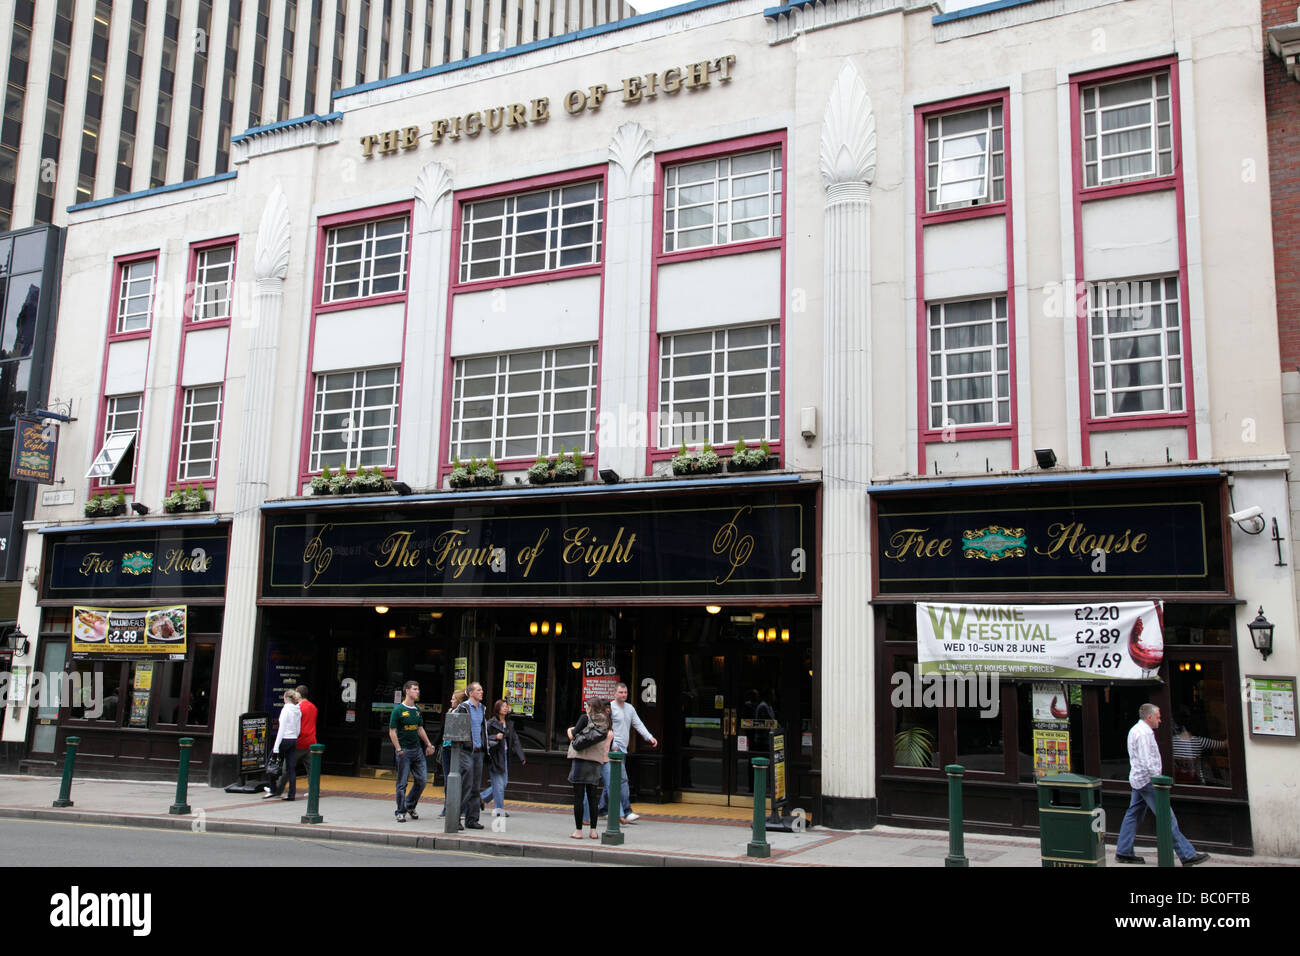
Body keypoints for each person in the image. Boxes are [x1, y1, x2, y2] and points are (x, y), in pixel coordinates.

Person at [1115, 703, 1209, 865]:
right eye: (1158, 717)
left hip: (1139, 779)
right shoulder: (1144, 734)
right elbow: (1147, 761)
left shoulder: (1137, 730)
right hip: (1148, 782)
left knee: (1134, 814)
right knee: (1167, 817)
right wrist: (1158, 780)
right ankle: (1187, 855)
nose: (1161, 720)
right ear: (1149, 717)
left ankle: (1123, 851)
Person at [597, 682, 658, 824]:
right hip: (613, 750)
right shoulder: (609, 708)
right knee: (622, 780)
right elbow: (603, 727)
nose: (623, 695)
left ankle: (603, 809)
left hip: (623, 749)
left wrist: (649, 737)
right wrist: (611, 745)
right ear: (614, 693)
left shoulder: (630, 708)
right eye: (621, 692)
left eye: (625, 692)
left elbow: (638, 723)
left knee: (612, 780)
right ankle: (627, 810)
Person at [388, 680, 436, 823]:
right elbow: (392, 731)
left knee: (422, 780)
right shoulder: (398, 710)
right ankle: (400, 811)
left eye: (418, 689)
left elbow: (420, 729)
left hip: (417, 750)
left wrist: (428, 744)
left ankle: (409, 805)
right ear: (407, 691)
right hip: (405, 751)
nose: (417, 692)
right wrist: (398, 749)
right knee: (402, 783)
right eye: (415, 689)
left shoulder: (417, 710)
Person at [567, 697, 613, 839]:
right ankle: (593, 831)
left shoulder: (585, 718)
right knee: (593, 797)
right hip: (595, 762)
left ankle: (578, 831)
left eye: (587, 706)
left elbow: (573, 736)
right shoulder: (606, 721)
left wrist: (569, 731)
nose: (586, 708)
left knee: (579, 798)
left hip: (581, 760)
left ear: (591, 707)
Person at [479, 699, 527, 816]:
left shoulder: (509, 724)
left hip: (505, 756)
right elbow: (483, 737)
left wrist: (521, 756)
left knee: (503, 783)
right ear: (498, 709)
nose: (506, 708)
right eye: (503, 706)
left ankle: (481, 797)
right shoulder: (491, 723)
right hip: (495, 756)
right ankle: (499, 810)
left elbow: (515, 740)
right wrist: (496, 736)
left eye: (507, 706)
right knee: (499, 785)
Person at [454, 682, 490, 829]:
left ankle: (472, 819)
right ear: (470, 693)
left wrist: (485, 747)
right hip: (466, 751)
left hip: (478, 751)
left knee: (476, 787)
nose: (482, 692)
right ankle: (455, 819)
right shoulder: (463, 708)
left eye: (481, 689)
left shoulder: (482, 708)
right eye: (478, 690)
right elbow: (456, 727)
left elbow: (483, 730)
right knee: (466, 785)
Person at [1172, 707, 1227, 785]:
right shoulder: (1199, 741)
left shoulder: (1172, 741)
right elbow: (1223, 745)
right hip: (1197, 782)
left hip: (1177, 782)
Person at [264, 689, 301, 801]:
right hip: (293, 739)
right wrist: (294, 736)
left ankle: (273, 789)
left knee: (269, 763)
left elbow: (281, 729)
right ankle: (291, 794)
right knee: (291, 768)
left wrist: (276, 747)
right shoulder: (298, 710)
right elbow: (298, 729)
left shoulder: (285, 710)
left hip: (284, 739)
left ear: (286, 698)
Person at [439, 688, 468, 817]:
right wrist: (433, 744)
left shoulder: (463, 714)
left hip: (456, 750)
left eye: (453, 699)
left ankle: (460, 808)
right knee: (447, 780)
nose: (451, 701)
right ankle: (447, 808)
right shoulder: (450, 712)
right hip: (446, 748)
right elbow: (443, 730)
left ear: (459, 701)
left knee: (457, 779)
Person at [294, 684, 318, 777]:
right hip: (311, 741)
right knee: (312, 769)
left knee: (287, 767)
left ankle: (276, 787)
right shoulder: (313, 707)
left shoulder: (298, 708)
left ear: (298, 694)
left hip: (299, 741)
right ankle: (313, 790)